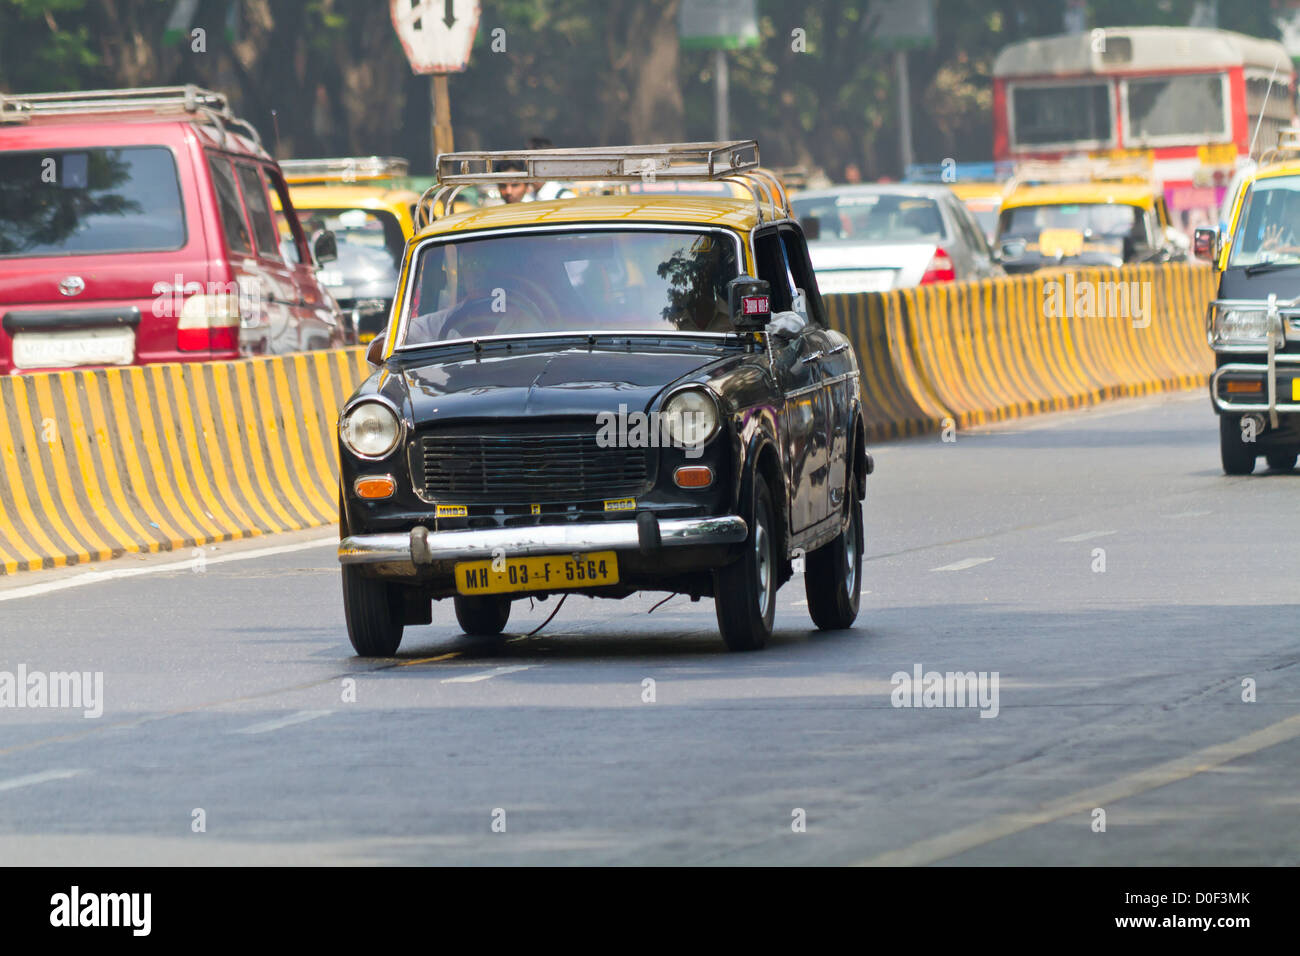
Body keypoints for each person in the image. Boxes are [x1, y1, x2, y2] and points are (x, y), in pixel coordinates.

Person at [526, 137, 576, 201]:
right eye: (528, 168)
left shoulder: (565, 197)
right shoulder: (527, 198)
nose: (530, 172)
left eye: (535, 167)